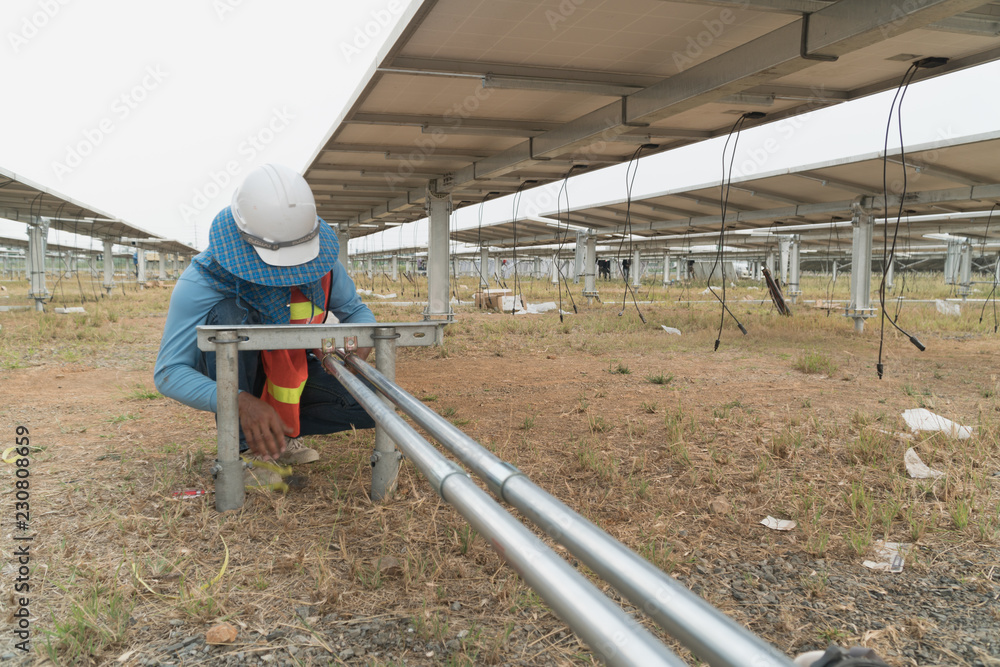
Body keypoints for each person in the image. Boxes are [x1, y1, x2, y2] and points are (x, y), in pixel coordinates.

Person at [154, 164, 376, 487]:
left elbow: (358, 312)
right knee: (228, 315)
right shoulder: (203, 280)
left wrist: (361, 343)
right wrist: (237, 399)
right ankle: (246, 452)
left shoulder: (321, 264)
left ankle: (282, 437)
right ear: (245, 245)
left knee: (374, 403)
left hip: (292, 374)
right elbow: (168, 371)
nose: (293, 274)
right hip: (241, 379)